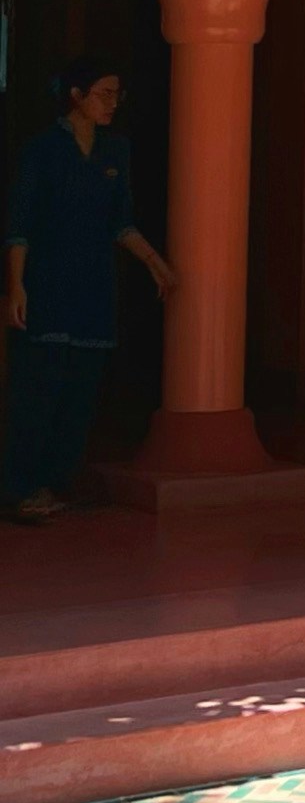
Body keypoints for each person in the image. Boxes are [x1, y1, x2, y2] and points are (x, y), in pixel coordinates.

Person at [2, 62, 175, 521]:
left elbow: (121, 222)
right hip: (47, 283)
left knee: (80, 393)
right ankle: (19, 487)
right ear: (77, 95)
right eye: (104, 93)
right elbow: (20, 223)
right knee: (38, 390)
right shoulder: (43, 150)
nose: (112, 103)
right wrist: (15, 285)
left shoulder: (115, 150)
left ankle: (56, 482)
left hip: (94, 287)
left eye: (118, 94)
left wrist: (154, 261)